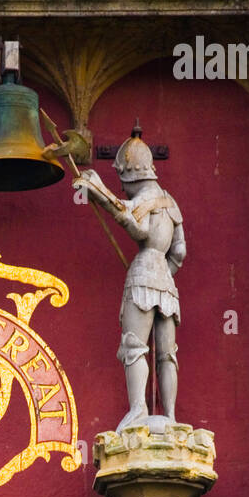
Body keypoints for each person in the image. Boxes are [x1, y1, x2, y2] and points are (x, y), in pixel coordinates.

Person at [79, 124, 185, 431]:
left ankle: (139, 408)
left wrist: (100, 194)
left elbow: (138, 228)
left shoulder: (142, 199)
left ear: (129, 174)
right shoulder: (170, 202)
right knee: (167, 354)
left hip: (142, 275)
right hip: (166, 281)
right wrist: (163, 273)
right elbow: (179, 251)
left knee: (134, 345)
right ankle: (171, 416)